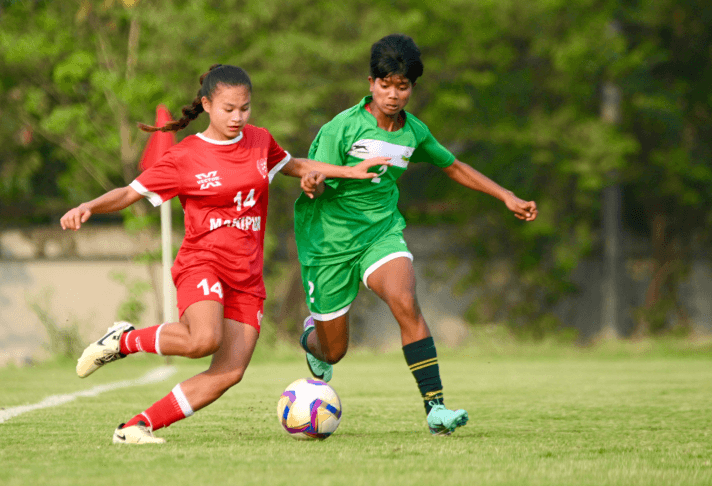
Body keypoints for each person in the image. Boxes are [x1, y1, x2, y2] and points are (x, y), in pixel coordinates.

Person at [60, 64, 389, 444]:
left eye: (244, 108)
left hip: (247, 275)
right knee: (203, 339)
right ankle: (124, 340)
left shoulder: (259, 141)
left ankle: (136, 426)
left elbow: (295, 165)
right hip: (203, 262)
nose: (237, 117)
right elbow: (128, 193)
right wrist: (89, 205)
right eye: (228, 109)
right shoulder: (186, 157)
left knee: (230, 371)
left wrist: (349, 171)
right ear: (207, 104)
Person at [295, 34, 538, 436]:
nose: (392, 94)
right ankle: (311, 338)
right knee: (333, 350)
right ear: (371, 83)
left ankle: (436, 409)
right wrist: (313, 184)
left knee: (406, 302)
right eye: (385, 84)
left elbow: (453, 165)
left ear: (412, 88)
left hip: (381, 234)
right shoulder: (342, 127)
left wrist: (505, 195)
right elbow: (313, 174)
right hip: (329, 243)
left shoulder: (413, 133)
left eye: (402, 86)